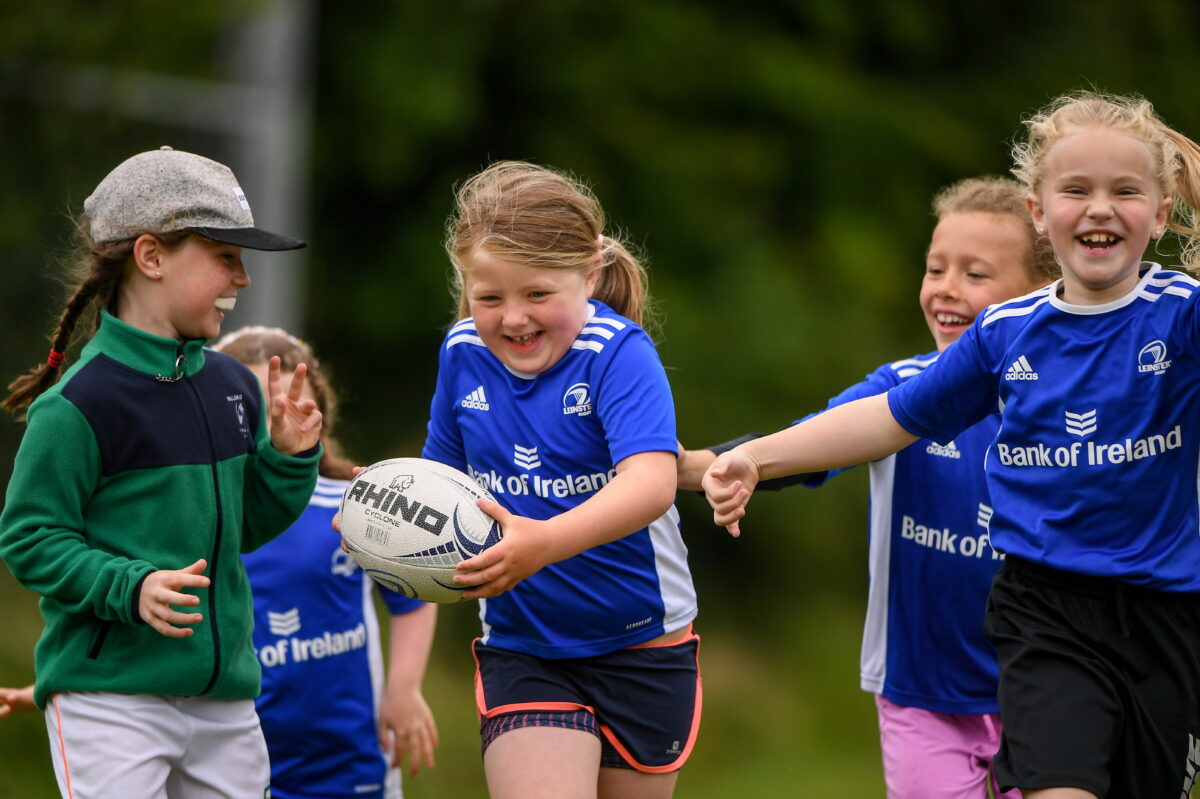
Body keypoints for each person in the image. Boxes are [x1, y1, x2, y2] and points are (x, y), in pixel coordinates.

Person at [703, 91, 1200, 799]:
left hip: (1163, 614)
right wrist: (757, 456)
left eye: (1126, 191)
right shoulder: (1007, 332)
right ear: (1038, 210)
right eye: (1076, 189)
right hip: (1046, 612)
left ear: (1159, 214)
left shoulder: (1180, 317)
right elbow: (885, 417)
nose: (1099, 207)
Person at [679, 176, 1057, 798]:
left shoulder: (1065, 402)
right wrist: (687, 467)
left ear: (1038, 294)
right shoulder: (902, 388)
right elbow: (806, 446)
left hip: (1044, 683)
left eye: (976, 274)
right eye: (936, 268)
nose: (947, 289)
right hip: (919, 689)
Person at [0, 147, 322, 798]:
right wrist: (130, 585)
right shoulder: (76, 407)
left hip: (225, 701)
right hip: (107, 698)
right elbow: (29, 539)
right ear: (150, 257)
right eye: (224, 257)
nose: (243, 279)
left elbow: (245, 524)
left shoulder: (233, 384)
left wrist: (285, 460)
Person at [422, 160, 699, 799]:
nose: (512, 319)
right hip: (524, 648)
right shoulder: (462, 352)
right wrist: (385, 509)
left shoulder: (620, 354)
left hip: (642, 648)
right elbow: (442, 478)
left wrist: (542, 542)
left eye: (537, 294)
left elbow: (651, 484)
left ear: (589, 276)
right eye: (489, 298)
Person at [215, 325, 440, 797]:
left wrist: (404, 689)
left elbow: (415, 598)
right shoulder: (201, 517)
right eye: (249, 406)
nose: (269, 419)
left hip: (350, 763)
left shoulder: (356, 507)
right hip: (227, 764)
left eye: (285, 403)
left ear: (317, 412)